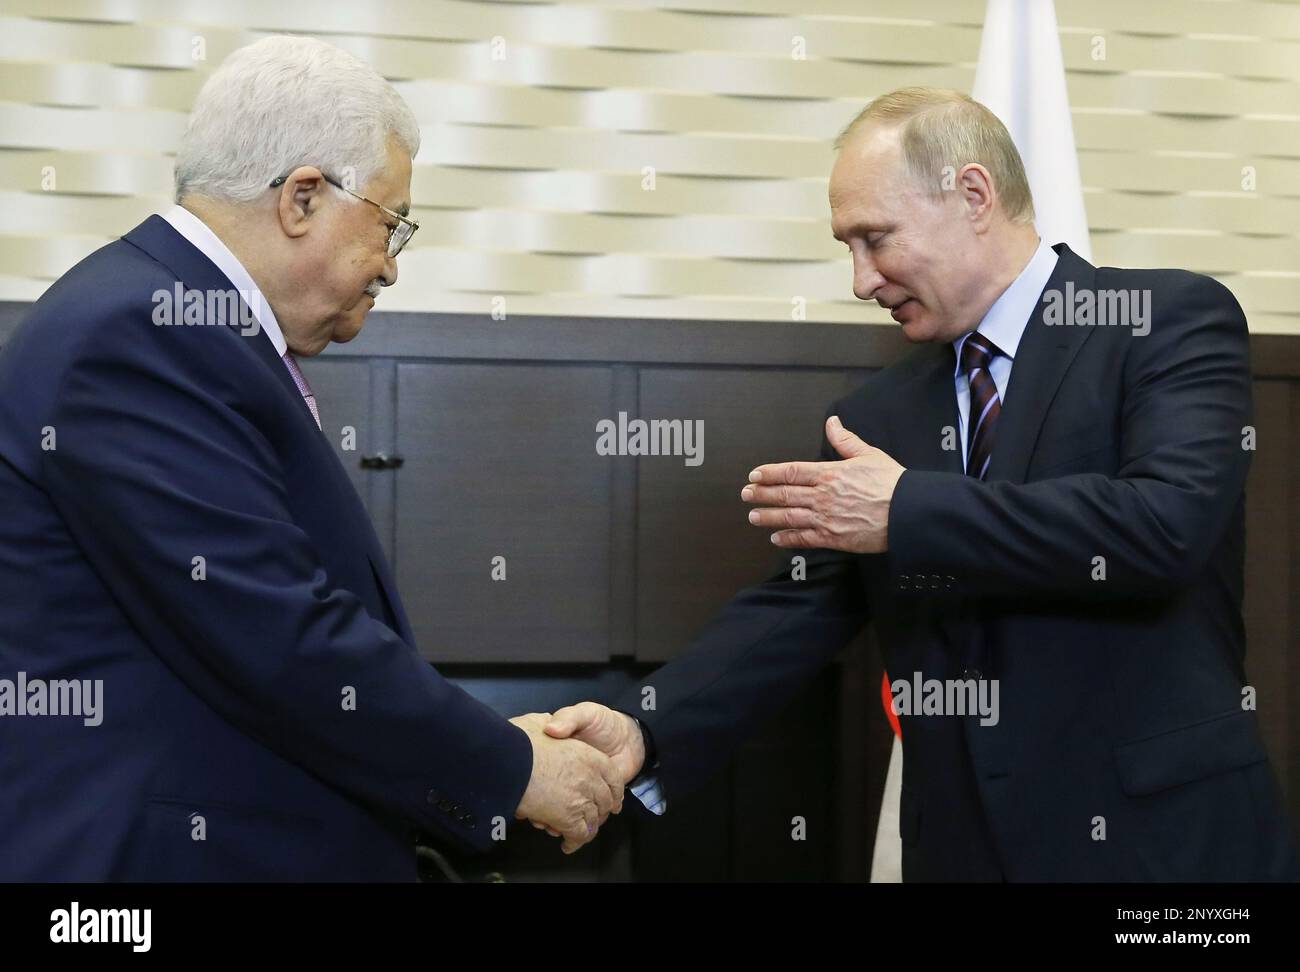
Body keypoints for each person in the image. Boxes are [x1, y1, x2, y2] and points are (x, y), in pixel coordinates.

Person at [542, 88, 1300, 882]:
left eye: (876, 239)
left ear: (973, 195)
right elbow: (801, 607)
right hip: (960, 847)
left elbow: (1163, 526)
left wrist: (906, 509)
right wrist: (645, 729)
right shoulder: (877, 411)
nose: (862, 281)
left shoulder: (1161, 319)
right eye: (848, 248)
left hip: (1164, 850)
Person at [0, 34, 621, 881]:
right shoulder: (145, 330)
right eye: (391, 225)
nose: (392, 269)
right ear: (301, 197)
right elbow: (274, 635)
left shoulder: (180, 319)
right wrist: (509, 767)